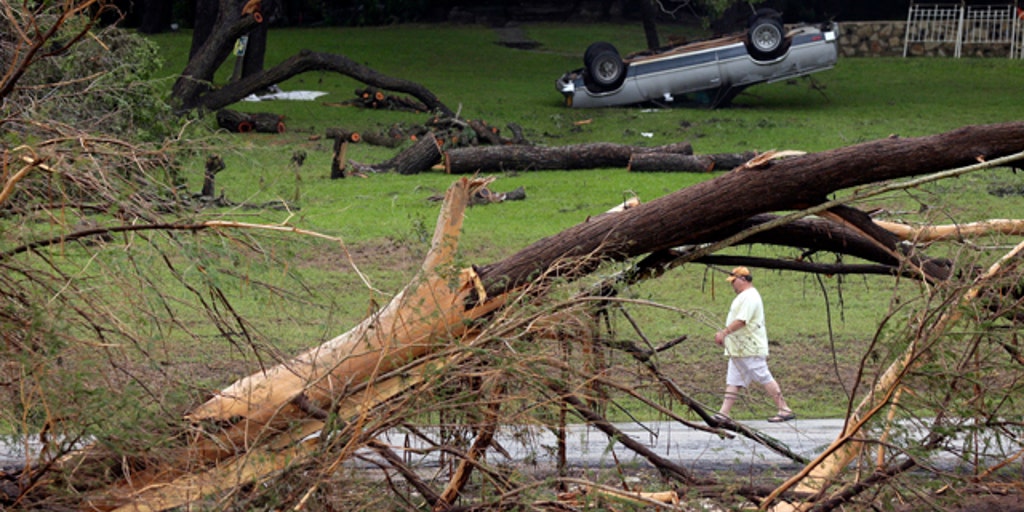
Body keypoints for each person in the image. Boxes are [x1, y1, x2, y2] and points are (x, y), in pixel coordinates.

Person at [712, 266, 795, 423]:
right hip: (739, 348)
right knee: (733, 381)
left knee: (763, 376)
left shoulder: (750, 296)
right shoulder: (745, 296)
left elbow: (742, 320)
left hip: (749, 347)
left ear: (743, 279)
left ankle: (784, 408)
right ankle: (723, 414)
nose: (732, 285)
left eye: (734, 281)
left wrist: (724, 333)